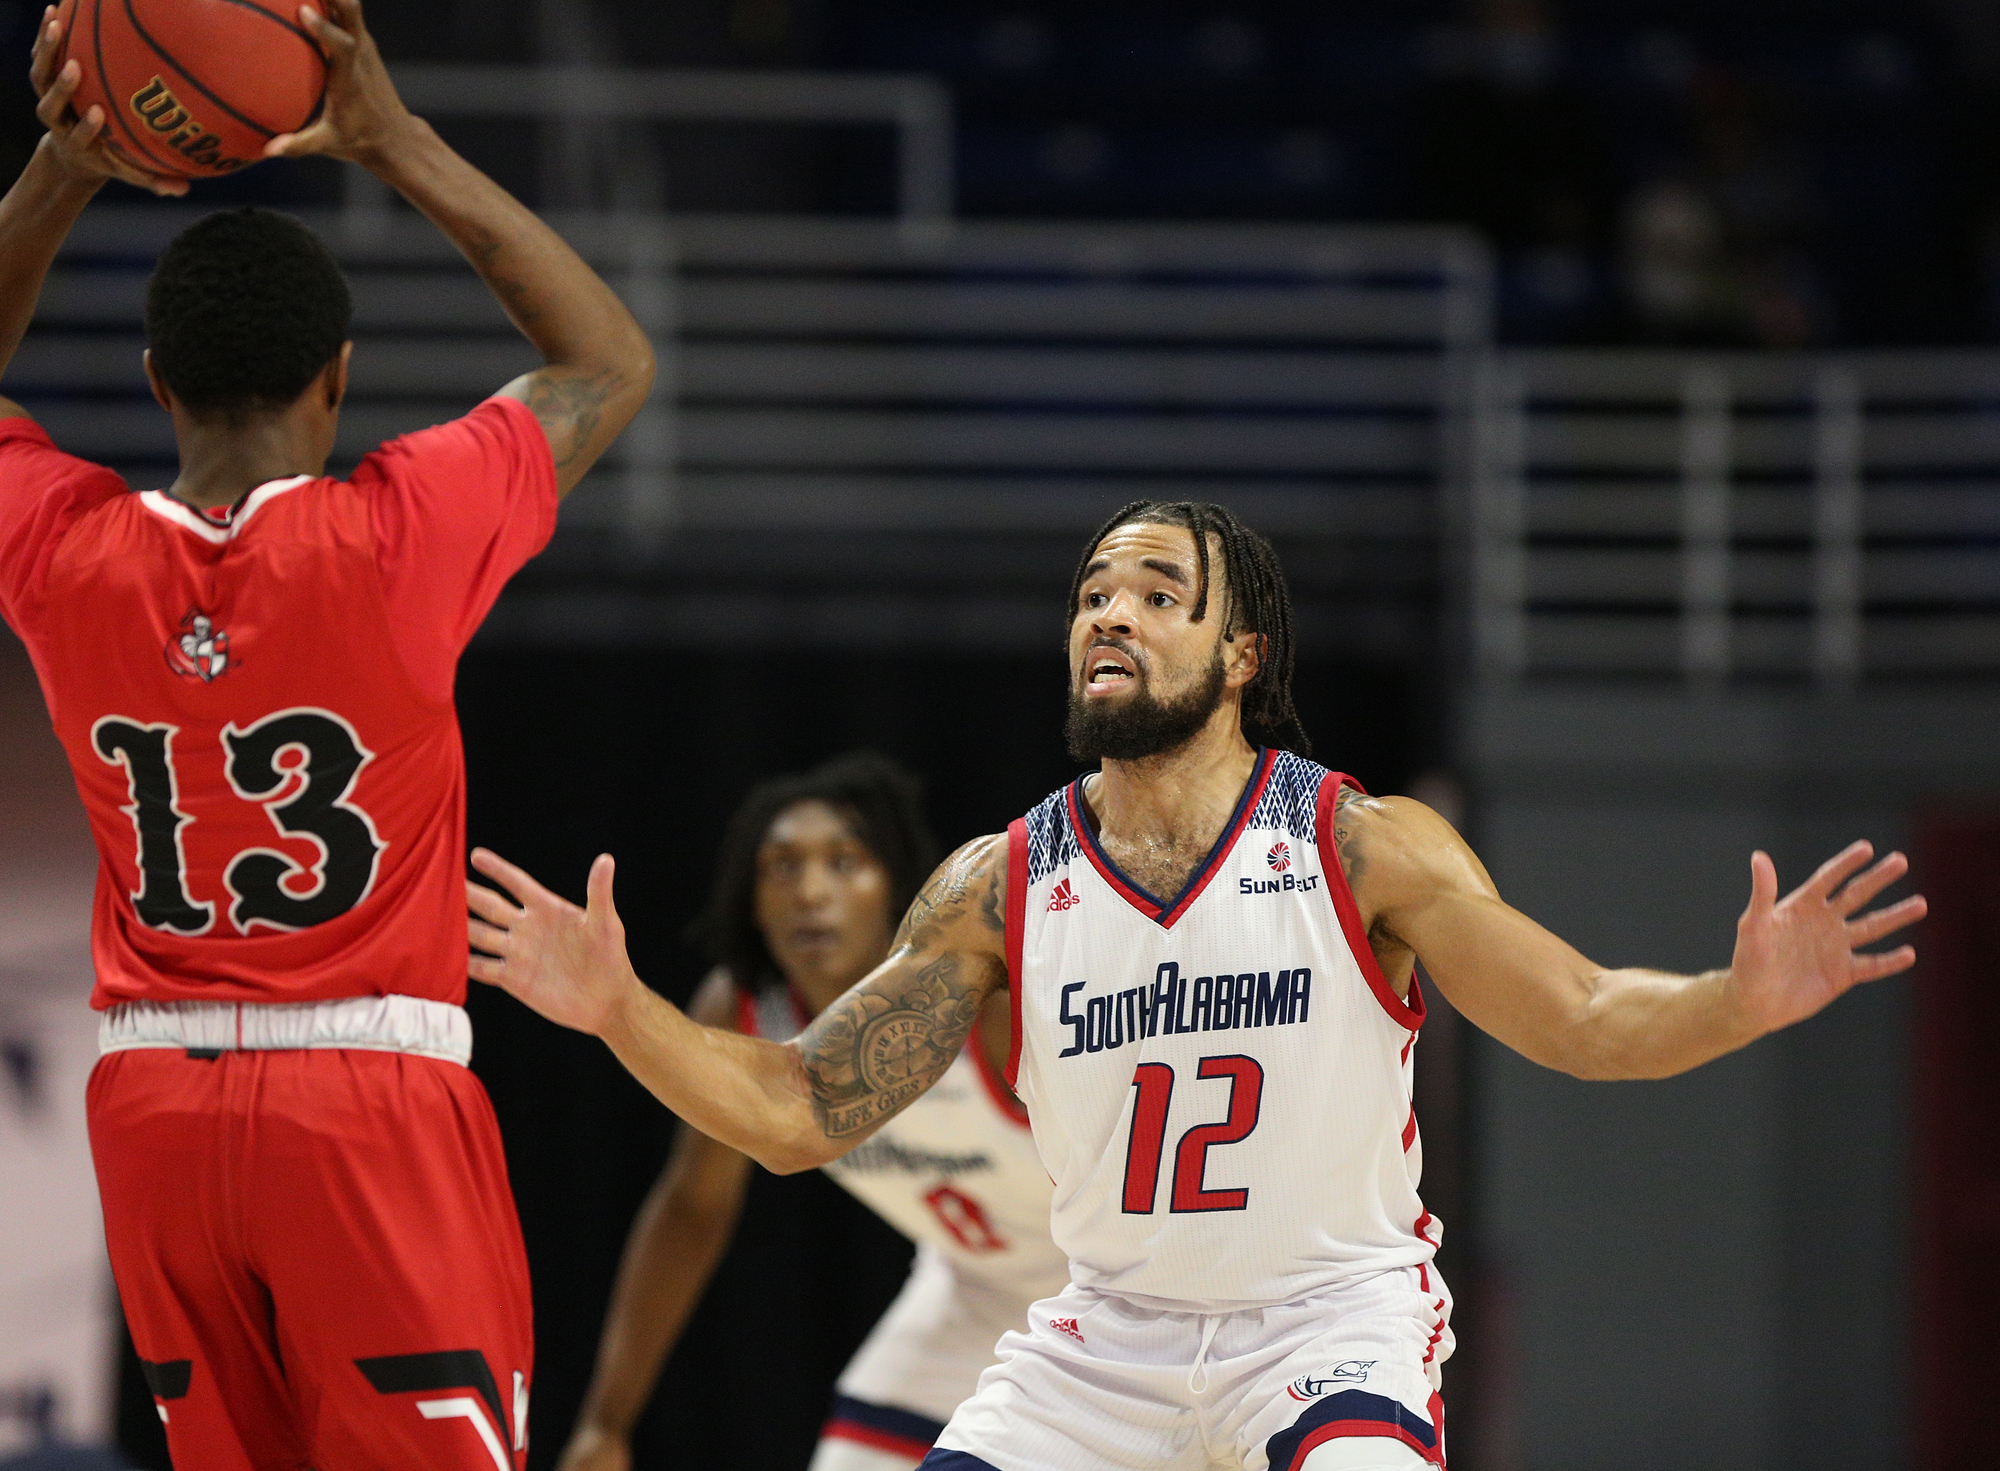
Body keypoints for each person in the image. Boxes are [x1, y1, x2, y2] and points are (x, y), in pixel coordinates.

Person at [467, 500, 1924, 1471]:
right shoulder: (998, 882)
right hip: (1102, 1339)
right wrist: (619, 1010)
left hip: (1327, 1318)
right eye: (1094, 591)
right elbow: (791, 1110)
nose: (1111, 612)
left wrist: (1735, 997)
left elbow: (1589, 1018)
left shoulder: (1359, 844)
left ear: (1241, 653)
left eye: (1158, 592)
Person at [0, 2, 653, 1466]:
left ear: (158, 386)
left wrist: (61, 169)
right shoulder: (401, 530)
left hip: (151, 1100)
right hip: (366, 1097)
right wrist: (392, 136)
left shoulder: (60, 550)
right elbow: (605, 359)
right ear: (340, 376)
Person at [560, 752, 1070, 1471]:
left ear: (897, 884)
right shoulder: (747, 1014)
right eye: (782, 866)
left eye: (845, 861)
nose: (810, 891)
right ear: (752, 897)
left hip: (1108, 1284)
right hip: (972, 1285)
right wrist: (606, 1421)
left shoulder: (984, 1005)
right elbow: (692, 1209)